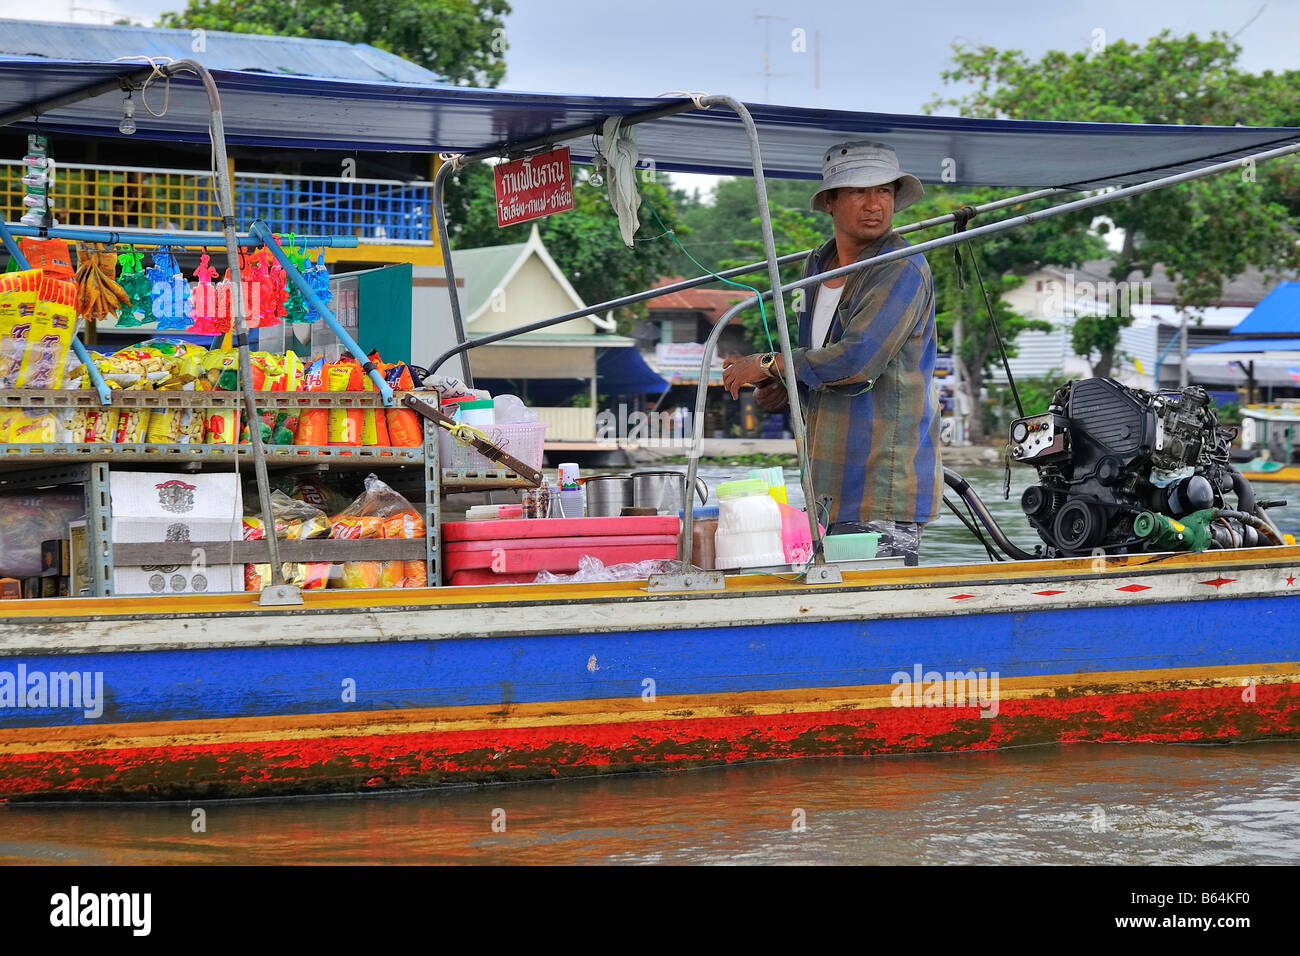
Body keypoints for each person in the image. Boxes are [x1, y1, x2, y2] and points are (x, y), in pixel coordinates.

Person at [721, 141, 942, 565]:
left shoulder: (901, 266)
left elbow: (855, 362)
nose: (874, 204)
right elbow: (821, 363)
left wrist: (769, 363)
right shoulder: (817, 265)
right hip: (824, 486)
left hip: (880, 488)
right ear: (829, 202)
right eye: (859, 191)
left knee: (874, 613)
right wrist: (784, 385)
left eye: (884, 191)